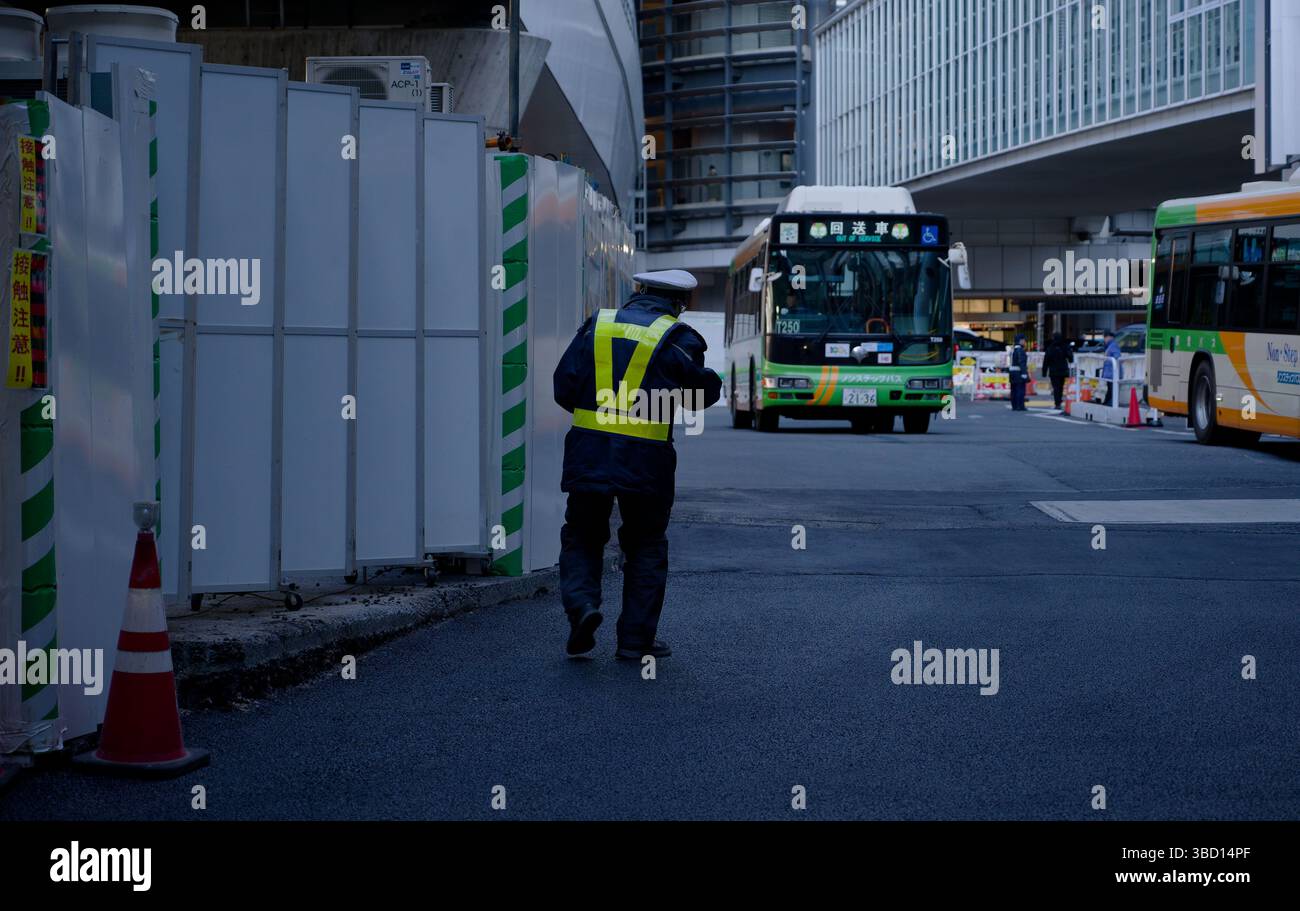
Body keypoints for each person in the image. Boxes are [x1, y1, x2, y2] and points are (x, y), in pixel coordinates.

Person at [552, 269, 722, 659]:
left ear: (639, 291)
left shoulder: (598, 324)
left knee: (582, 534)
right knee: (645, 544)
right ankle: (634, 641)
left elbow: (564, 387)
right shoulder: (678, 337)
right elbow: (698, 397)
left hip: (588, 451)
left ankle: (582, 607)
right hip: (647, 460)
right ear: (681, 303)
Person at [1041, 331, 1073, 410]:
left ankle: (1057, 403)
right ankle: (1059, 400)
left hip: (1053, 371)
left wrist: (1044, 372)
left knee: (1056, 387)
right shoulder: (1064, 346)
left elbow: (1046, 361)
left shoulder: (1050, 348)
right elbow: (1070, 357)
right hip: (1063, 370)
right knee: (1061, 386)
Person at [1008, 333, 1029, 411]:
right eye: (1024, 340)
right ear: (1020, 341)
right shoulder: (1020, 350)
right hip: (1018, 372)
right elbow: (1022, 362)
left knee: (1013, 390)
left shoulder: (1012, 350)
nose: (1024, 342)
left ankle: (1014, 406)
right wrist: (1024, 373)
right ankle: (1020, 406)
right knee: (1020, 390)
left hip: (1012, 372)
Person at [1100, 329, 1121, 406]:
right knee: (1110, 390)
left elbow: (1117, 357)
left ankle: (1108, 404)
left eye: (1105, 337)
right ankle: (1107, 403)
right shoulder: (1110, 346)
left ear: (1109, 337)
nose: (1104, 339)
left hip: (1112, 373)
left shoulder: (1113, 345)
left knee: (1112, 390)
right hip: (1111, 373)